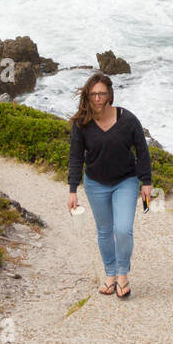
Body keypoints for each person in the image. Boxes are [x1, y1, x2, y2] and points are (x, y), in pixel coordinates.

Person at [67, 72, 152, 299]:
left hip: (126, 181)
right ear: (88, 95)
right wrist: (72, 190)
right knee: (104, 231)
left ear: (109, 95)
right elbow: (75, 157)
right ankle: (111, 274)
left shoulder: (128, 119)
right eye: (93, 93)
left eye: (101, 93)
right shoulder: (81, 123)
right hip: (95, 184)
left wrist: (147, 183)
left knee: (123, 229)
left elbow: (142, 151)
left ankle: (123, 275)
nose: (97, 98)